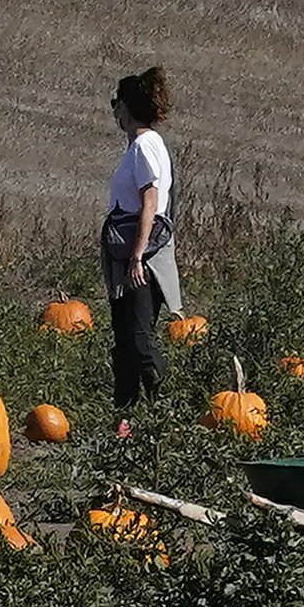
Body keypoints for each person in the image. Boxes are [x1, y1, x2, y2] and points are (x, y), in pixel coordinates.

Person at [104, 66, 180, 436]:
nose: (114, 112)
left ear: (127, 107)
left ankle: (166, 413)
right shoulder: (141, 146)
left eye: (115, 104)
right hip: (132, 255)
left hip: (141, 258)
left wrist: (136, 256)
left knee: (139, 338)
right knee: (125, 340)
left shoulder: (145, 146)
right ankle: (125, 420)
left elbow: (150, 202)